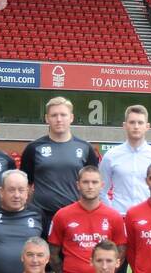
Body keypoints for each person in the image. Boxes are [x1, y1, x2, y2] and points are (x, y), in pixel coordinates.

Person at [20, 96, 100, 227]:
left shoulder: (85, 148)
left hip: (76, 216)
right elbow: (26, 186)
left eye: (63, 115)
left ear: (71, 118)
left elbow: (94, 185)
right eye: (54, 115)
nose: (59, 119)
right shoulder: (33, 148)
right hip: (42, 216)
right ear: (47, 118)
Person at [48, 166, 128, 273]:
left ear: (102, 185)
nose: (90, 186)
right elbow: (52, 253)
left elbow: (121, 252)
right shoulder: (62, 215)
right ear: (78, 185)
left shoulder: (114, 216)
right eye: (85, 182)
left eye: (94, 182)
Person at [98, 105, 151, 215]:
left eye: (140, 123)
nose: (136, 126)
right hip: (121, 217)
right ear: (125, 126)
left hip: (149, 216)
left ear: (147, 126)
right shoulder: (111, 156)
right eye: (132, 122)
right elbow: (100, 189)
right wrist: (112, 211)